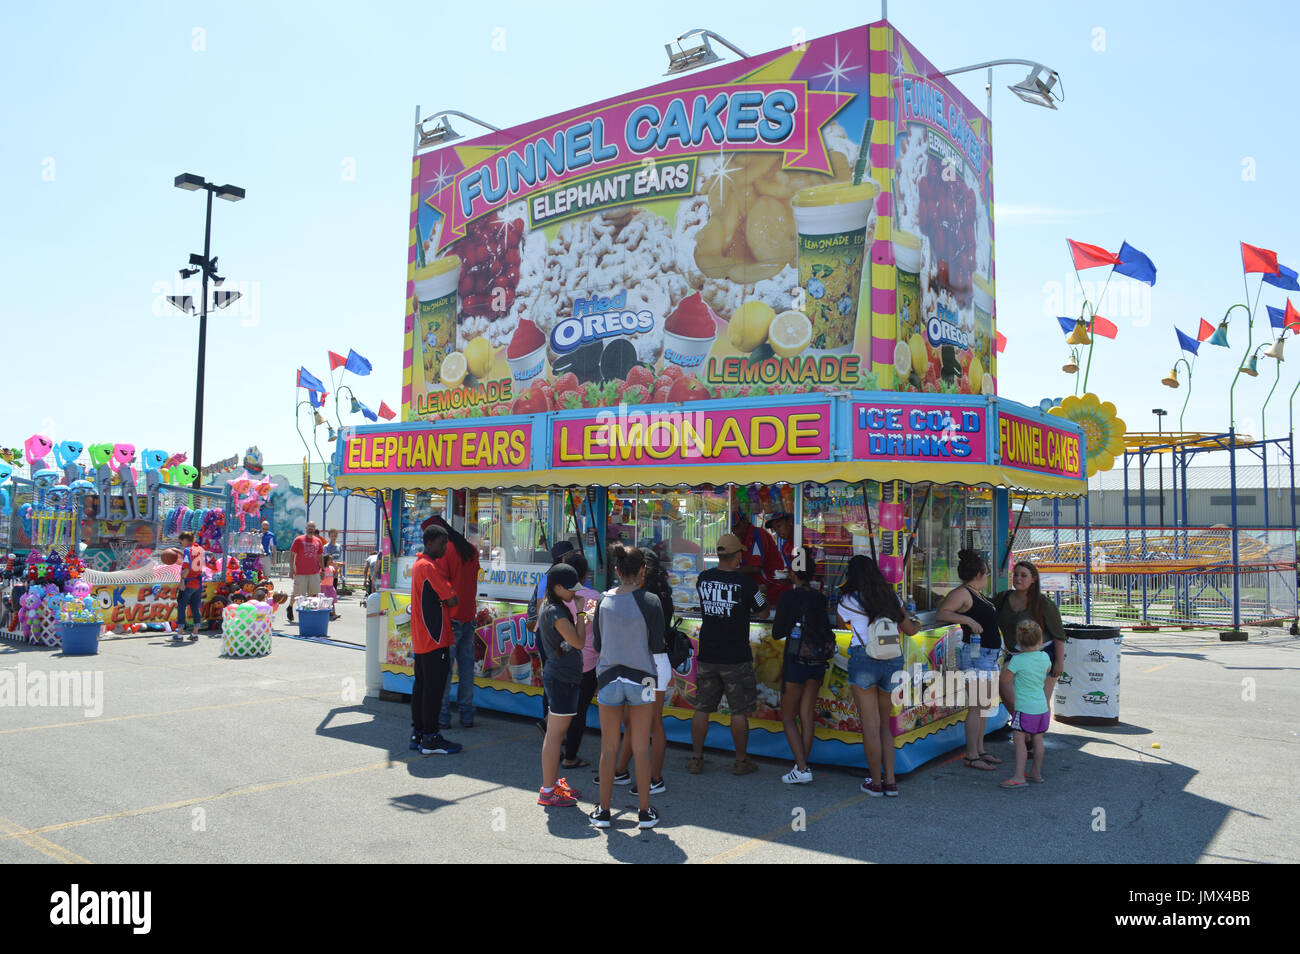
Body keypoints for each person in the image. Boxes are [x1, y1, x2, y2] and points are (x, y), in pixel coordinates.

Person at [589, 545, 665, 830]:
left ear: (617, 570)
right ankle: (644, 812)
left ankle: (603, 810)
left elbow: (598, 644)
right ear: (643, 570)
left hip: (608, 677)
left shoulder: (602, 600)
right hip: (643, 677)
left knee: (608, 747)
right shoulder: (651, 601)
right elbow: (657, 644)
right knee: (641, 746)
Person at [837, 554, 919, 797]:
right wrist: (917, 624)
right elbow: (910, 630)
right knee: (885, 725)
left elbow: (842, 626)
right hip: (892, 660)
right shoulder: (891, 597)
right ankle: (890, 782)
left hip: (863, 659)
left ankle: (875, 783)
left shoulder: (847, 599)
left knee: (870, 727)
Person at [689, 532, 769, 776]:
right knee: (738, 711)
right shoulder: (747, 585)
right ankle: (740, 761)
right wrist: (758, 594)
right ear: (736, 557)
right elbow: (764, 612)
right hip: (736, 657)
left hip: (708, 653)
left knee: (702, 707)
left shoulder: (703, 579)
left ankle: (696, 759)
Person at [611, 547, 673, 794]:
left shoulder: (646, 598)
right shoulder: (659, 594)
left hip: (650, 662)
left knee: (651, 721)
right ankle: (621, 771)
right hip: (649, 662)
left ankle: (654, 779)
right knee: (635, 721)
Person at [935, 549, 1003, 771]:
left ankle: (980, 749)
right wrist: (967, 620)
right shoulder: (963, 593)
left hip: (987, 654)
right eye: (987, 573)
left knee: (984, 705)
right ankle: (972, 755)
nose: (987, 576)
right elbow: (942, 613)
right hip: (976, 655)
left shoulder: (976, 593)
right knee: (976, 706)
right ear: (980, 574)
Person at [772, 556, 828, 784]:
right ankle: (801, 766)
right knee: (806, 716)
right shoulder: (820, 598)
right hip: (817, 662)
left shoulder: (788, 598)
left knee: (787, 717)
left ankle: (802, 768)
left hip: (795, 663)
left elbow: (777, 632)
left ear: (793, 574)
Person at [408, 524, 462, 756]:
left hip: (423, 637)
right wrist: (446, 599)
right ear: (429, 543)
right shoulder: (430, 567)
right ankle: (431, 737)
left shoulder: (418, 565)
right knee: (434, 689)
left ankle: (418, 733)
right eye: (441, 544)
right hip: (435, 638)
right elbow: (452, 599)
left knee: (421, 687)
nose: (444, 548)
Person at [536, 563, 587, 807]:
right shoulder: (555, 611)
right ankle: (548, 791)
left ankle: (552, 784)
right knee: (555, 736)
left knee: (555, 734)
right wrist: (582, 614)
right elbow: (578, 642)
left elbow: (566, 645)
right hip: (561, 678)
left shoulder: (553, 607)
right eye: (570, 588)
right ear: (556, 587)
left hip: (562, 676)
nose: (574, 592)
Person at [995, 561, 1067, 712]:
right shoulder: (1002, 598)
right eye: (1015, 575)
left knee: (1040, 701)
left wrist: (1059, 662)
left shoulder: (1044, 603)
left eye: (1023, 575)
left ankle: (1036, 727)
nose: (1018, 578)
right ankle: (1021, 722)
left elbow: (1059, 636)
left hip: (1042, 654)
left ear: (1033, 579)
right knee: (1004, 687)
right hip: (1015, 654)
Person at [433, 516, 481, 730]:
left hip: (450, 617)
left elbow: (440, 584)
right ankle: (467, 715)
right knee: (466, 669)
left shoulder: (446, 552)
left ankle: (443, 717)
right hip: (469, 615)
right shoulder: (471, 550)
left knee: (445, 669)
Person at [559, 551, 601, 769]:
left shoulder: (557, 596)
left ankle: (555, 749)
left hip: (561, 658)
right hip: (587, 661)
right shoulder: (593, 597)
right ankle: (570, 756)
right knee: (579, 710)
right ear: (585, 575)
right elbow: (595, 627)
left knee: (560, 708)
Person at [999, 620, 1051, 789]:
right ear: (1040, 640)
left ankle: (1019, 776)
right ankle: (1036, 772)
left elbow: (1005, 681)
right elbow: (1047, 671)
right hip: (1041, 707)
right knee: (1038, 740)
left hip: (1024, 708)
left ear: (1019, 642)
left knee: (1019, 741)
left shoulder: (1017, 660)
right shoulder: (1045, 657)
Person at [286, 522, 324, 624]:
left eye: (313, 527)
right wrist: (291, 569)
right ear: (306, 528)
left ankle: (308, 615)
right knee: (298, 594)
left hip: (314, 572)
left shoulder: (318, 541)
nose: (311, 529)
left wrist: (323, 570)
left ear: (314, 529)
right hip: (301, 572)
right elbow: (292, 555)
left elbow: (320, 556)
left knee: (313, 594)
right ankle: (290, 607)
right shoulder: (299, 540)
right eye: (309, 527)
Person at [175, 530, 204, 642]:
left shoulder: (188, 550)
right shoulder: (200, 549)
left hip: (189, 581)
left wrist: (182, 580)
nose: (181, 544)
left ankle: (179, 634)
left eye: (181, 541)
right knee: (195, 607)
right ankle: (195, 633)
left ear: (185, 540)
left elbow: (187, 567)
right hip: (198, 582)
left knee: (182, 606)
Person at [763, 511, 796, 604]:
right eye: (774, 529)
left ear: (790, 522)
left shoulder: (808, 539)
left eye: (779, 526)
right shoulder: (785, 547)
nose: (777, 532)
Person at [320, 555, 340, 621]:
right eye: (330, 559)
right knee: (323, 601)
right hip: (323, 586)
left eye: (332, 559)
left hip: (330, 586)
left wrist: (336, 567)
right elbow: (321, 577)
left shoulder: (331, 567)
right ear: (326, 560)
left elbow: (335, 575)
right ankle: (323, 614)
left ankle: (334, 613)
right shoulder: (322, 568)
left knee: (332, 600)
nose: (332, 561)